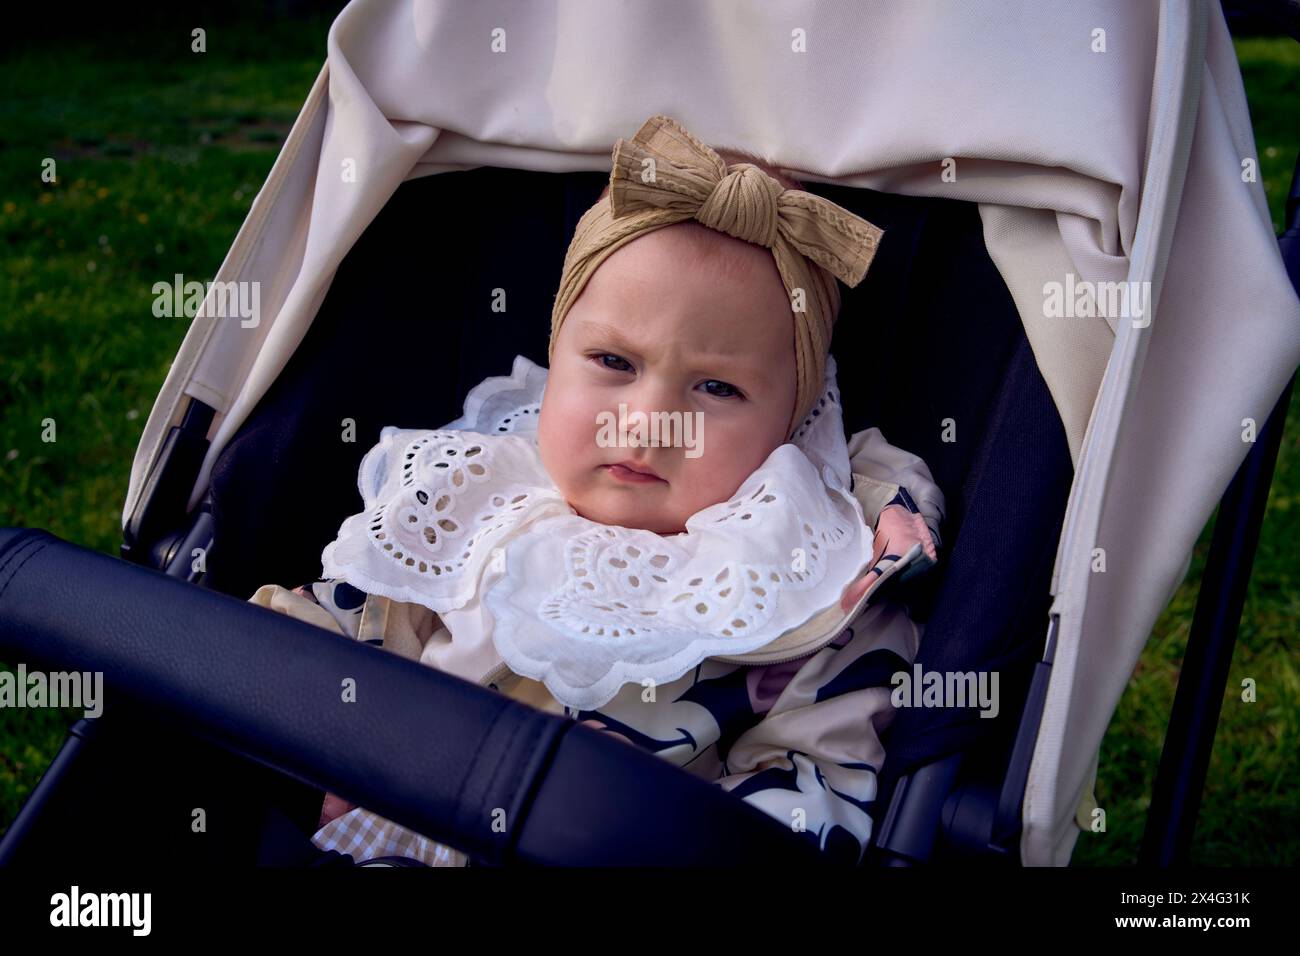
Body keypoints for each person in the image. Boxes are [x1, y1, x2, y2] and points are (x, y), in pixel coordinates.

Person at [249, 114, 944, 866]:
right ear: (556, 359)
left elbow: (814, 790)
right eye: (613, 360)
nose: (646, 425)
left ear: (792, 422)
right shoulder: (480, 496)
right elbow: (352, 626)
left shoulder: (810, 581)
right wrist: (343, 732)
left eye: (716, 387)